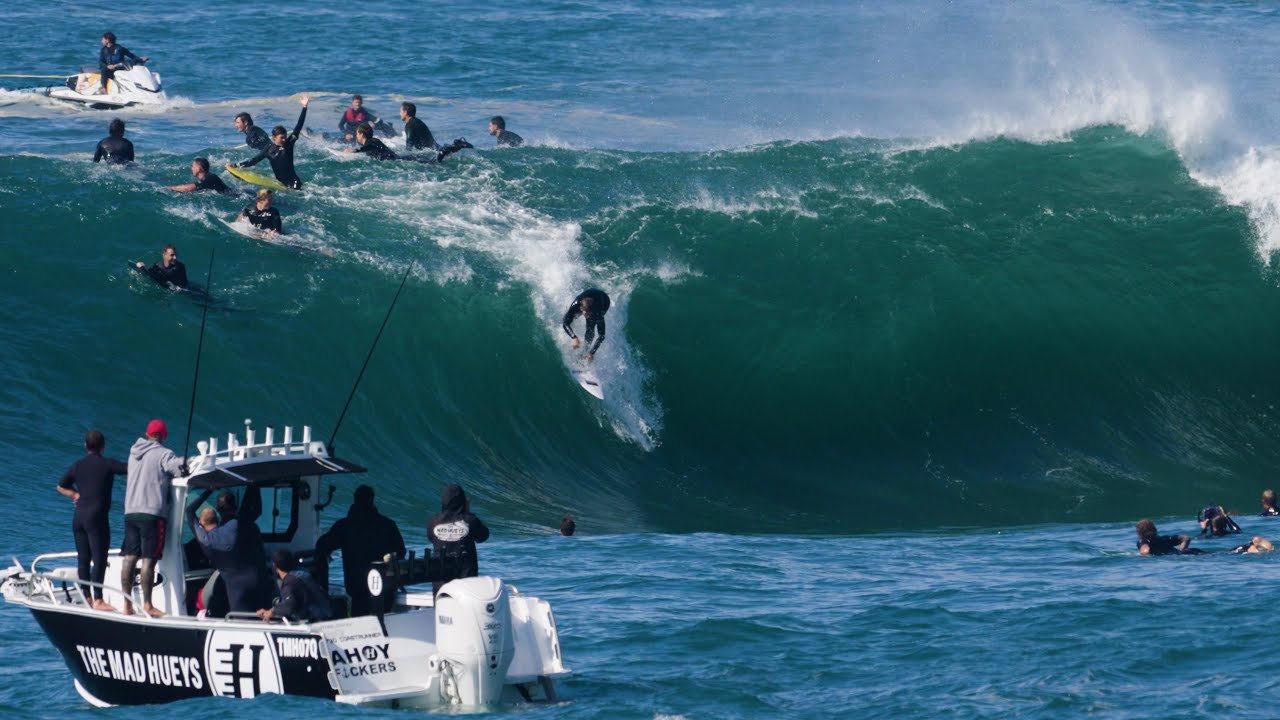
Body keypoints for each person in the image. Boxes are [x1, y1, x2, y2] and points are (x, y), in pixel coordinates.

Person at [56, 430, 128, 611]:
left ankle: (87, 597)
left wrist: (75, 494)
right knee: (100, 559)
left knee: (83, 559)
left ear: (85, 446)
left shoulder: (77, 466)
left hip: (79, 518)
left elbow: (60, 486)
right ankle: (98, 599)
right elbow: (129, 469)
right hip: (96, 519)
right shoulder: (107, 464)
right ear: (103, 446)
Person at [121, 419, 184, 616]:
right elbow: (176, 468)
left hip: (130, 512)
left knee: (130, 559)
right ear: (163, 436)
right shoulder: (164, 453)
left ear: (147, 433)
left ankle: (127, 605)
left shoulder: (133, 454)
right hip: (151, 514)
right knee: (149, 560)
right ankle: (147, 605)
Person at [315, 484, 406, 617]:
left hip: (357, 585)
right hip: (383, 583)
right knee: (385, 621)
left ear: (355, 500)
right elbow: (401, 552)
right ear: (372, 500)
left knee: (360, 622)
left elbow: (322, 545)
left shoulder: (345, 526)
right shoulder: (387, 525)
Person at [186, 486, 270, 615]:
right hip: (261, 580)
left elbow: (190, 511)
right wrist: (253, 484)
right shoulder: (246, 522)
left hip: (237, 589)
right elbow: (256, 508)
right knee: (265, 618)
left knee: (242, 622)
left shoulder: (209, 540)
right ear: (235, 507)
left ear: (218, 510)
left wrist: (209, 489)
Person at [230, 94, 310, 190]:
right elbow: (255, 160)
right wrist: (237, 165)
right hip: (281, 184)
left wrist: (304, 107)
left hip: (295, 184)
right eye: (281, 138)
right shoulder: (268, 149)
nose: (284, 140)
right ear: (274, 138)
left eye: (285, 137)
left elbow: (299, 125)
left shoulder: (289, 144)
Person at [427, 484, 490, 592]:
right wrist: (467, 513)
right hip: (466, 579)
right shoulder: (470, 520)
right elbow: (483, 536)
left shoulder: (433, 521)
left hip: (440, 580)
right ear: (462, 501)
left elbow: (431, 538)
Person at [258, 549, 331, 622]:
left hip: (319, 620)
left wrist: (271, 612)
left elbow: (289, 605)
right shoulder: (302, 574)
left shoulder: (290, 582)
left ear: (274, 566)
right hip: (327, 613)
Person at [561, 288, 611, 363]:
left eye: (589, 314)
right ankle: (582, 349)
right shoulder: (576, 305)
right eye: (586, 314)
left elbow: (602, 335)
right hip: (588, 295)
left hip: (605, 300)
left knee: (590, 327)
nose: (588, 316)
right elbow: (565, 323)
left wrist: (592, 353)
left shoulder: (597, 313)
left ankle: (585, 353)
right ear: (581, 309)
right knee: (570, 316)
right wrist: (573, 337)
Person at [1135, 519, 1203, 556]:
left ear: (1139, 532)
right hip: (1191, 551)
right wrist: (1182, 550)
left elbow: (1145, 550)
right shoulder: (1165, 539)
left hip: (1176, 556)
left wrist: (1143, 554)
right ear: (1154, 529)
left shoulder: (1143, 541)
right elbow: (1186, 538)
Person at [168, 157, 232, 194]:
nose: (191, 168)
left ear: (198, 169)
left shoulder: (210, 178)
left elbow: (191, 187)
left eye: (193, 166)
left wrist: (171, 188)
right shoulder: (209, 177)